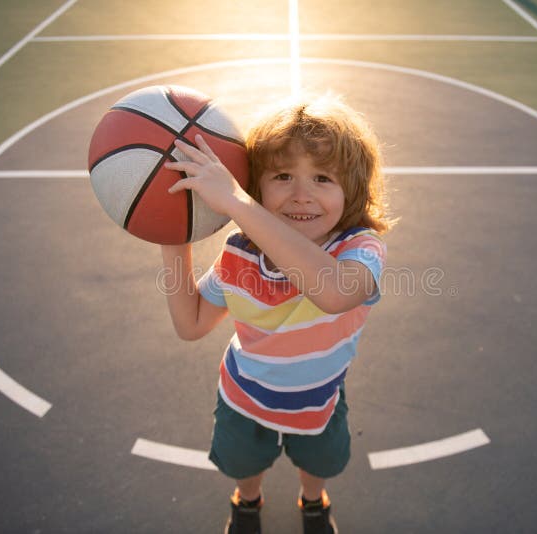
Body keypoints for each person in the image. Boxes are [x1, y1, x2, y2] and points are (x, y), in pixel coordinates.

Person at [159, 94, 393, 534]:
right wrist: (170, 232)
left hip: (318, 397)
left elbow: (333, 293)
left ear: (353, 189)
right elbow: (190, 324)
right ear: (257, 186)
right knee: (245, 466)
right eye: (283, 176)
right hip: (244, 396)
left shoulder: (359, 251)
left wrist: (237, 205)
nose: (301, 195)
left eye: (323, 178)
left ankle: (312, 500)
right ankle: (248, 502)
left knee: (316, 462)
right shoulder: (239, 255)